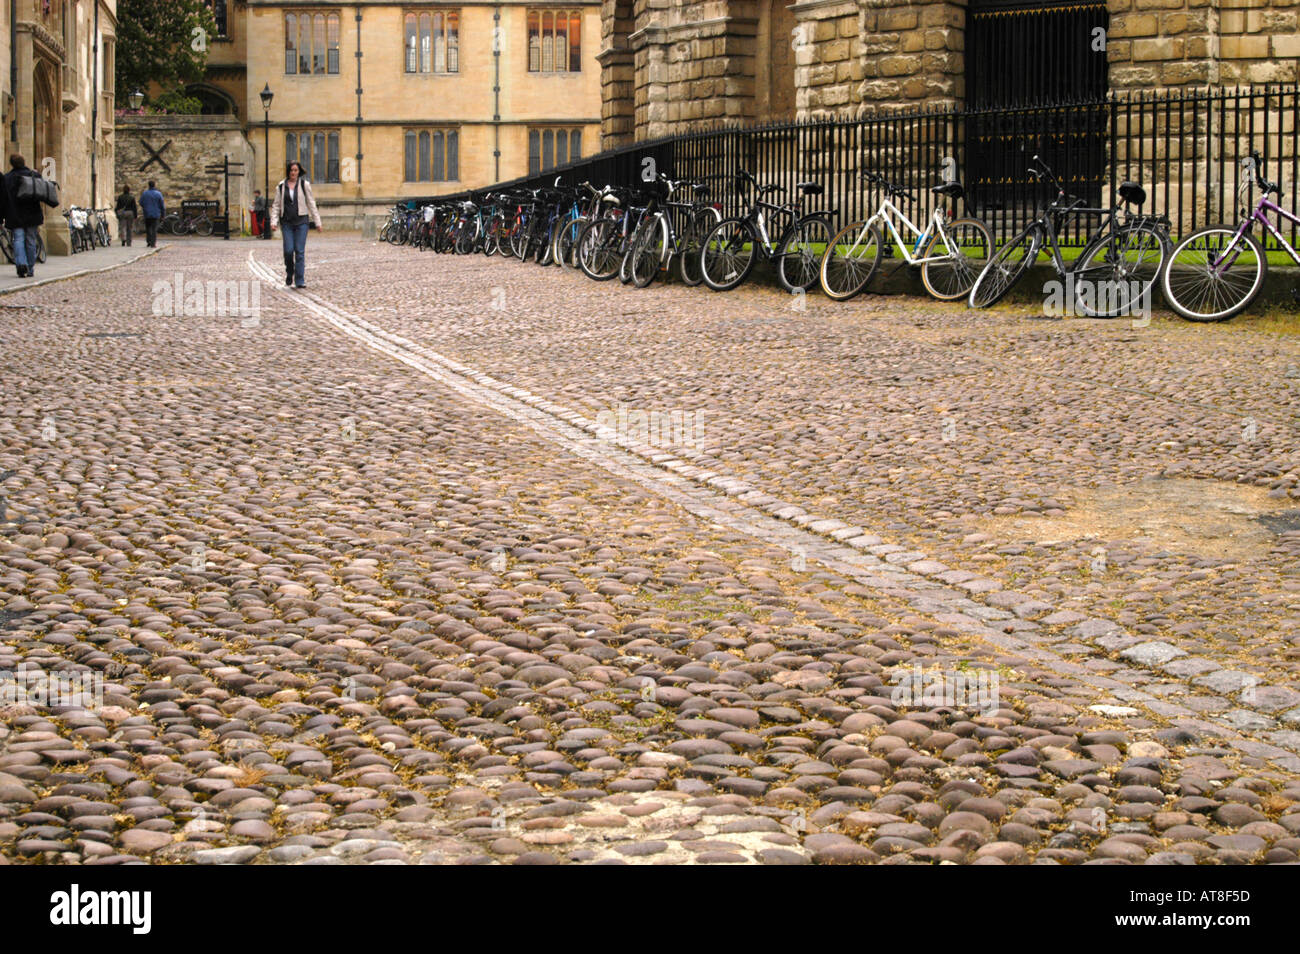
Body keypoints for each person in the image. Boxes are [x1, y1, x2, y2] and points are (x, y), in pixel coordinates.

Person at [269, 160, 323, 288]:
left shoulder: (305, 185)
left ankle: (299, 279)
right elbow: (276, 205)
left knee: (299, 251)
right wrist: (274, 221)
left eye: (296, 170)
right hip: (286, 222)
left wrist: (317, 222)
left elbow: (311, 204)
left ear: (299, 172)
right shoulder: (281, 186)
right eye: (291, 170)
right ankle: (289, 271)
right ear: (288, 171)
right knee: (288, 250)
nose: (293, 173)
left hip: (301, 222)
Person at [1, 154, 43, 278]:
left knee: (18, 239)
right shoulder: (34, 175)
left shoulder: (7, 178)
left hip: (15, 214)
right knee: (30, 240)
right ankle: (30, 268)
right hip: (32, 214)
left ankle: (21, 264)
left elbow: (3, 199)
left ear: (12, 164)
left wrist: (2, 215)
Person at [139, 180, 165, 247]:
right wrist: (163, 215)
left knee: (148, 228)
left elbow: (141, 202)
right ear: (154, 185)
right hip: (156, 213)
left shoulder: (145, 193)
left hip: (147, 213)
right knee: (154, 229)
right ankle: (153, 243)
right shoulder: (158, 194)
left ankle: (149, 240)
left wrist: (145, 207)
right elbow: (162, 205)